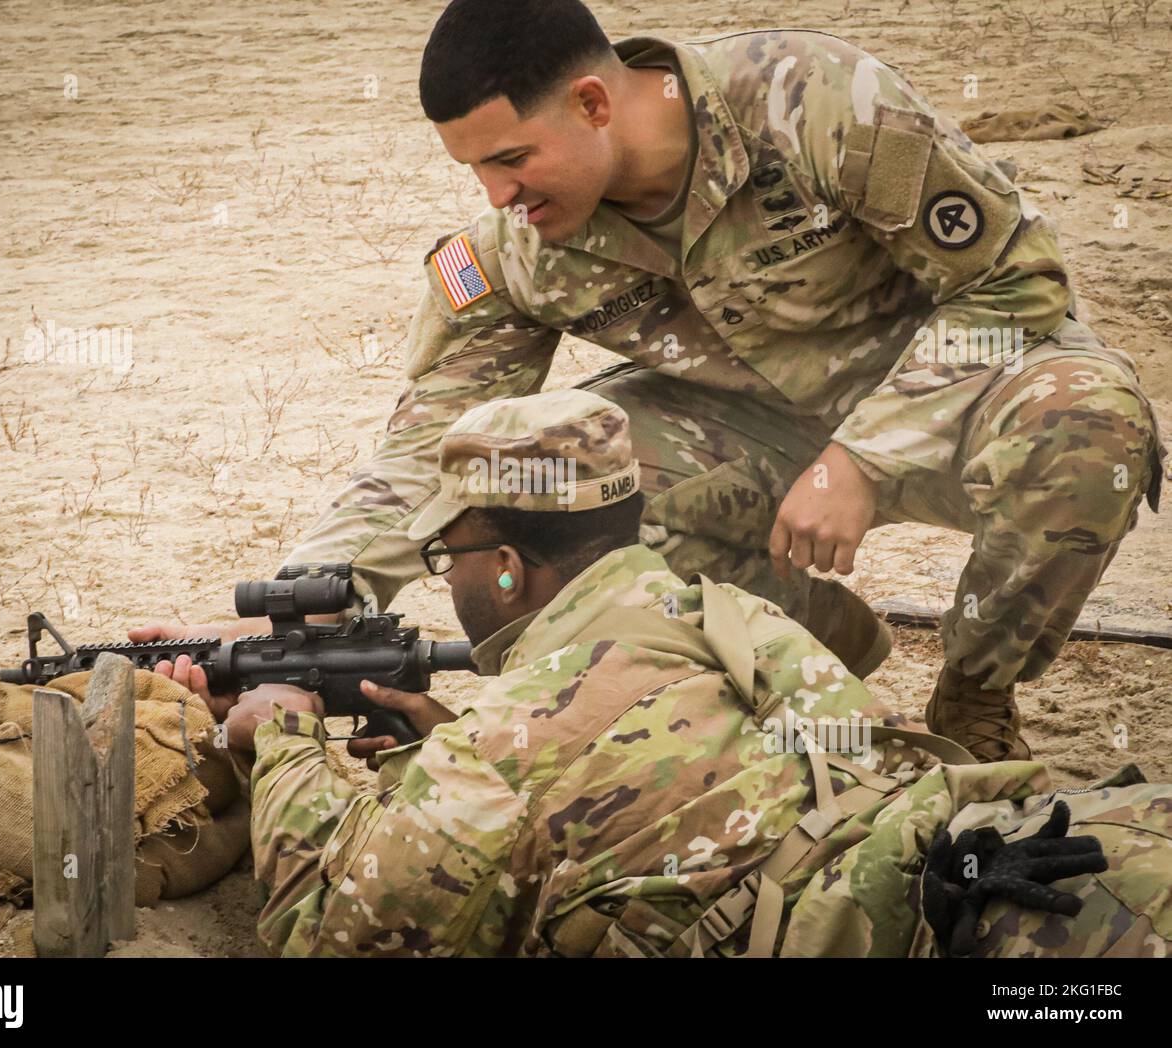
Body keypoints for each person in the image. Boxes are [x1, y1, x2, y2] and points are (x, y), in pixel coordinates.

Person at [133, 0, 1165, 765]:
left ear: (592, 102)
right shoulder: (509, 250)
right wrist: (308, 613)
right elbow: (425, 447)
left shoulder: (817, 105)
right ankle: (790, 637)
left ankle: (973, 702)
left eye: (511, 159)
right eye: (474, 175)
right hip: (748, 438)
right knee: (511, 491)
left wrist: (862, 454)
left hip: (951, 403)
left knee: (1089, 422)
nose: (499, 196)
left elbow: (1015, 282)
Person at [161, 390, 1170, 958]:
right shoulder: (728, 619)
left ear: (507, 566)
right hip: (1067, 852)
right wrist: (438, 755)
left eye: (449, 559)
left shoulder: (496, 757)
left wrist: (281, 740)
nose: (450, 582)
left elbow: (334, 935)